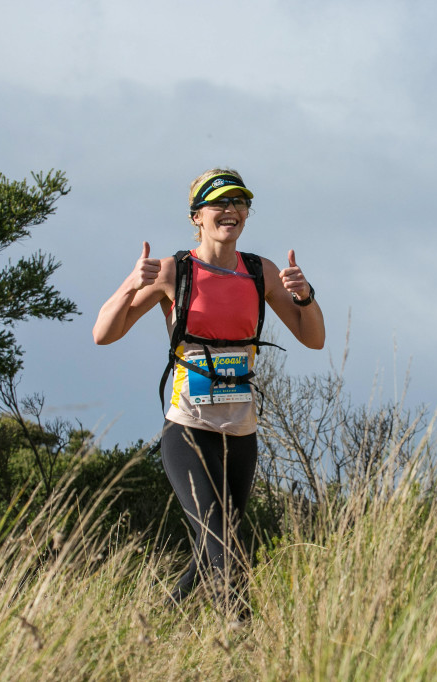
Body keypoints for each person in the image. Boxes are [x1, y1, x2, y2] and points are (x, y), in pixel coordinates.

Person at [92, 168, 325, 614]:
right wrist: (130, 284)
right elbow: (104, 333)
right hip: (187, 429)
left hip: (241, 432)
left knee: (212, 546)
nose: (231, 211)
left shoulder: (261, 272)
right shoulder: (172, 270)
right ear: (196, 216)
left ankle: (156, 624)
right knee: (220, 538)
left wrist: (304, 296)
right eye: (219, 203)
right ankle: (240, 628)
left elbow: (313, 339)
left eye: (239, 203)